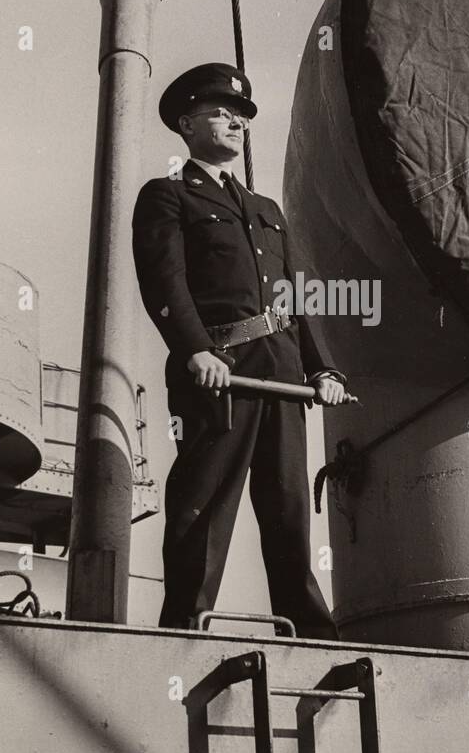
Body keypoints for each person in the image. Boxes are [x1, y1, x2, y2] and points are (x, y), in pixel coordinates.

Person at [132, 62, 346, 639]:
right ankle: (187, 623)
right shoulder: (169, 196)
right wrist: (195, 350)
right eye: (221, 112)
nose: (235, 121)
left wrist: (321, 366)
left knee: (289, 507)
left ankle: (306, 626)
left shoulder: (266, 211)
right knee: (205, 500)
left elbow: (296, 294)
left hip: (280, 373)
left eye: (242, 115)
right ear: (186, 123)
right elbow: (165, 282)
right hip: (219, 372)